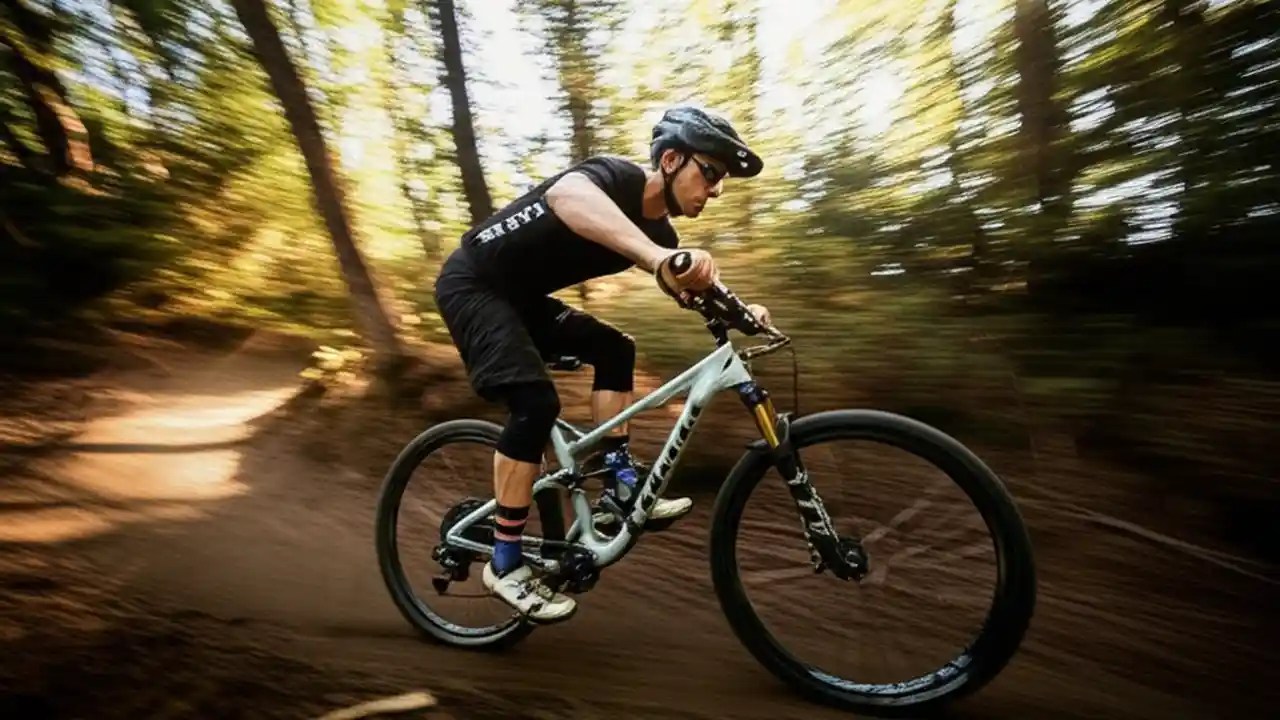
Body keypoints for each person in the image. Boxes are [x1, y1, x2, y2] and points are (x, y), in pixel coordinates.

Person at [432, 104, 770, 623]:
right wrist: (657, 260)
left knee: (617, 349)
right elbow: (566, 196)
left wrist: (744, 311)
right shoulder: (614, 176)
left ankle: (618, 487)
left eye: (721, 180)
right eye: (710, 172)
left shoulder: (663, 238)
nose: (717, 189)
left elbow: (692, 287)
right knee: (534, 404)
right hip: (473, 283)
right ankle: (504, 563)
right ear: (672, 158)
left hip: (520, 299)